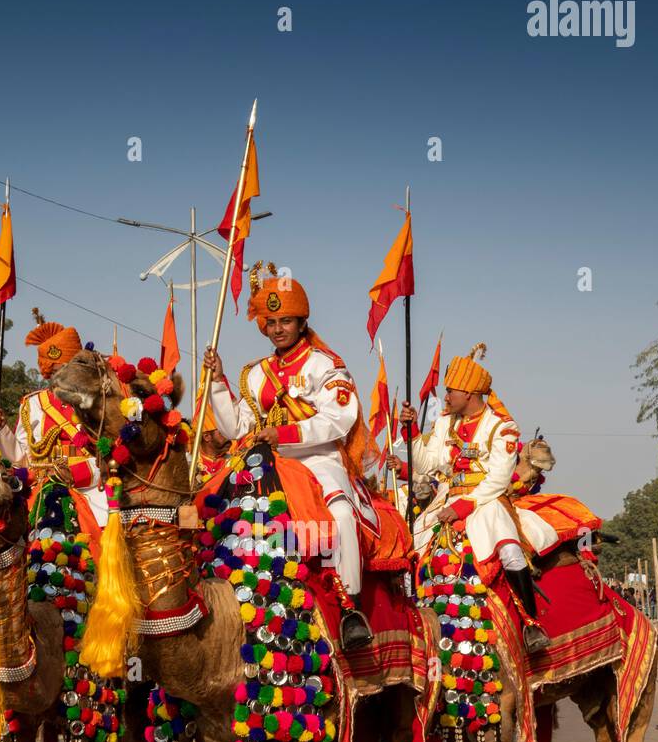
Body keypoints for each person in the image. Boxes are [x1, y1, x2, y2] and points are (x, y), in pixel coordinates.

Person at [203, 267, 376, 650]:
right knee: (214, 510)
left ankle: (351, 609)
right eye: (272, 322)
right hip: (268, 465)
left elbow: (338, 420)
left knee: (343, 515)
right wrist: (218, 381)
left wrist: (282, 434)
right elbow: (236, 428)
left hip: (318, 461)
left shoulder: (325, 365)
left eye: (286, 321)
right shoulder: (256, 374)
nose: (279, 329)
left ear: (302, 322)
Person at [397, 343, 558, 653]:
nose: (445, 397)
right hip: (446, 500)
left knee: (509, 549)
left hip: (486, 501)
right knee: (411, 548)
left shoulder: (502, 428)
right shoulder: (445, 423)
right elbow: (428, 462)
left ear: (469, 395)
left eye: (450, 392)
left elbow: (498, 477)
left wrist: (463, 506)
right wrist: (412, 431)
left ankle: (530, 624)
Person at [0, 317, 108, 535]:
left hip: (90, 491)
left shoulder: (98, 402)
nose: (60, 377)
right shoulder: (32, 404)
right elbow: (21, 457)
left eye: (65, 369)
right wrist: (0, 429)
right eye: (55, 372)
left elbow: (110, 455)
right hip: (39, 492)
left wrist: (75, 473)